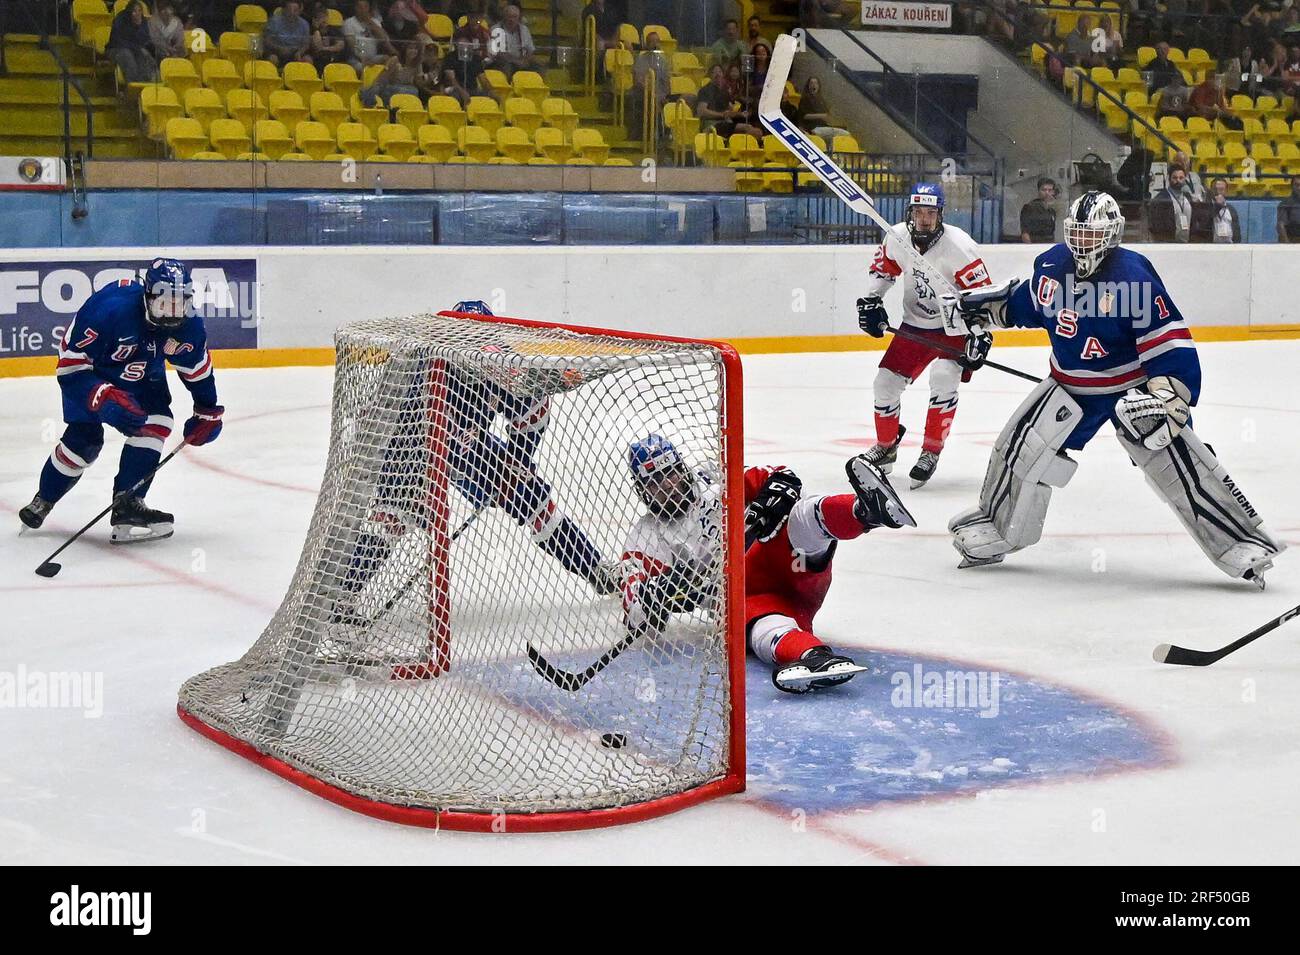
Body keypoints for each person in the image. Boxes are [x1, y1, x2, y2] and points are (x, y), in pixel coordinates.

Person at [947, 191, 1283, 585]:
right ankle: (997, 527)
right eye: (1077, 234)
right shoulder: (1052, 266)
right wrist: (977, 310)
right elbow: (1025, 304)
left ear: (1112, 235)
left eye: (1092, 235)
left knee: (1179, 464)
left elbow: (1168, 341)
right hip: (1069, 386)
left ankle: (1241, 541)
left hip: (1132, 390)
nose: (1082, 243)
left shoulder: (1133, 275)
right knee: (1020, 449)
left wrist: (1168, 398)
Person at [330, 300, 617, 622]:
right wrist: (422, 486)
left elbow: (533, 412)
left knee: (532, 498)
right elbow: (384, 427)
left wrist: (516, 459)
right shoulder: (421, 368)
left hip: (465, 441)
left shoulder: (500, 362)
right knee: (393, 517)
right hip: (402, 443)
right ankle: (341, 594)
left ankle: (595, 569)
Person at [618, 434, 915, 693]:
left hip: (785, 562)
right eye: (654, 481)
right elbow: (633, 607)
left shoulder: (714, 477)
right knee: (761, 629)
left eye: (669, 472)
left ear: (681, 467)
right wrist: (657, 595)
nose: (666, 484)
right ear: (641, 489)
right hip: (747, 598)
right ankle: (815, 656)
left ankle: (867, 511)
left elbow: (784, 479)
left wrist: (769, 502)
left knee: (801, 516)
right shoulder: (647, 537)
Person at [19, 259, 224, 542]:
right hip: (91, 372)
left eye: (180, 304)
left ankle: (128, 503)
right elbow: (70, 367)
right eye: (165, 304)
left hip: (142, 374)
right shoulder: (109, 310)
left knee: (157, 422)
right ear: (148, 296)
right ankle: (45, 498)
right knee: (84, 441)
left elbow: (197, 370)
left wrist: (207, 409)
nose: (172, 314)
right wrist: (99, 395)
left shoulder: (188, 327)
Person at [855, 183, 995, 489]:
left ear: (940, 214)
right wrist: (873, 300)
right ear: (910, 212)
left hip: (954, 326)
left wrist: (980, 335)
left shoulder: (960, 246)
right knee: (885, 382)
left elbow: (982, 296)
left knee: (945, 377)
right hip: (915, 325)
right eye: (918, 212)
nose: (923, 219)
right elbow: (884, 269)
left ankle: (930, 451)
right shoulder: (897, 238)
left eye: (930, 212)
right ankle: (887, 446)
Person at [107, 1, 157, 84]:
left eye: (140, 11)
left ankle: (144, 84)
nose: (137, 13)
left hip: (135, 50)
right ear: (129, 12)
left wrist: (139, 26)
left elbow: (146, 40)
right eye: (134, 11)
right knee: (127, 55)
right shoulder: (120, 20)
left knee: (145, 57)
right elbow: (118, 41)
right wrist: (138, 48)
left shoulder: (143, 21)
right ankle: (133, 85)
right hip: (115, 49)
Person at [343, 0, 396, 73]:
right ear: (355, 8)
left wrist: (370, 22)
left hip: (373, 58)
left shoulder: (375, 22)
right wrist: (363, 58)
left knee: (389, 60)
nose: (363, 10)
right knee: (362, 67)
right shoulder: (349, 22)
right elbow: (352, 45)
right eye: (360, 7)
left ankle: (382, 82)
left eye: (365, 7)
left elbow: (384, 39)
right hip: (356, 59)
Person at [489, 4, 540, 76]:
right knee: (506, 68)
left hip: (521, 60)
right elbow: (497, 53)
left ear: (518, 18)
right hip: (503, 61)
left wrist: (524, 61)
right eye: (509, 16)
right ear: (504, 17)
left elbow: (530, 50)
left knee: (537, 67)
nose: (511, 20)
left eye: (514, 17)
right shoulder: (496, 29)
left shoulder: (524, 29)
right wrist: (515, 61)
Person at [793, 75, 849, 139]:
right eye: (811, 83)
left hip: (822, 126)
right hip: (813, 127)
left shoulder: (821, 99)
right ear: (808, 86)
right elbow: (805, 116)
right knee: (845, 134)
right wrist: (822, 115)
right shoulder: (805, 99)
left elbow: (828, 116)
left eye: (816, 83)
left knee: (844, 131)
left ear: (819, 86)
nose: (813, 85)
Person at [1150, 163, 1194, 242]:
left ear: (1185, 179)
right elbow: (1157, 227)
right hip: (1169, 244)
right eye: (1175, 178)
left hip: (1187, 244)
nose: (1178, 180)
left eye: (1181, 178)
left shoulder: (1188, 197)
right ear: (1169, 179)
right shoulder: (1160, 199)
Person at [263, 0, 312, 66]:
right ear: (284, 10)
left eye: (295, 10)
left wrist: (300, 52)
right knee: (273, 59)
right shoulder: (274, 22)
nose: (292, 13)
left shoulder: (304, 24)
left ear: (299, 11)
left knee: (308, 60)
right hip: (277, 51)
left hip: (296, 52)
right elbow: (267, 41)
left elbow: (306, 44)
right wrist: (279, 49)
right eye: (289, 10)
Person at [307, 3, 347, 71]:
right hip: (317, 61)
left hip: (334, 59)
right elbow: (317, 47)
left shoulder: (334, 29)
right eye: (320, 17)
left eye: (324, 16)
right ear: (314, 19)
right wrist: (316, 29)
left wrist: (325, 48)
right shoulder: (311, 31)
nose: (323, 19)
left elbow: (340, 45)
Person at [1019, 176, 1059, 242]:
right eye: (1044, 190)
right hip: (1035, 246)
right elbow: (1025, 234)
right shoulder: (1029, 207)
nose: (1047, 193)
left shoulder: (1051, 211)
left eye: (1050, 190)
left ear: (1053, 192)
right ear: (1038, 191)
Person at [1208, 177, 1241, 243]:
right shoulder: (1206, 207)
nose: (1218, 192)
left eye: (1221, 189)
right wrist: (1218, 206)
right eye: (1215, 189)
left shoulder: (1231, 210)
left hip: (1229, 247)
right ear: (1211, 190)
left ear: (1226, 191)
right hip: (1211, 247)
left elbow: (1237, 233)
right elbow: (1207, 221)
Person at [1277, 174, 1300, 241]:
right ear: (1292, 186)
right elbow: (1281, 226)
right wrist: (1288, 246)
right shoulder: (1285, 204)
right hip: (1293, 239)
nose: (1299, 188)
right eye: (1296, 185)